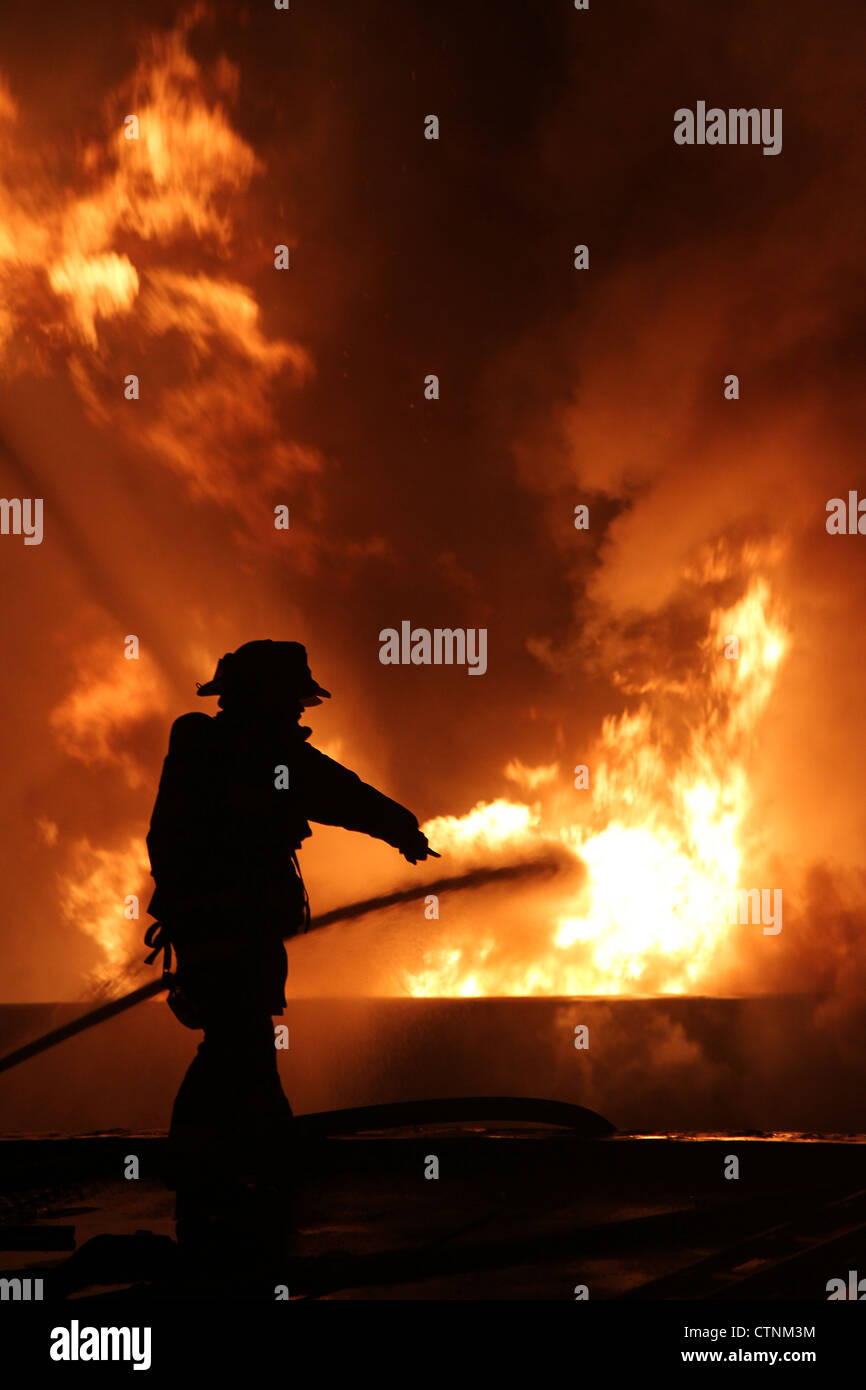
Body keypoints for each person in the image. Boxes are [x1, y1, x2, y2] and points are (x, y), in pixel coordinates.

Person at [144, 640, 432, 1289]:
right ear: (259, 700)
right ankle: (219, 1164)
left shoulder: (254, 751)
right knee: (236, 1040)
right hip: (223, 931)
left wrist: (399, 826)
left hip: (237, 930)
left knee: (240, 1040)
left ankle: (247, 1154)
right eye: (288, 701)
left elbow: (335, 789)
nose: (298, 715)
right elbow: (328, 788)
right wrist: (398, 826)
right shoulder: (222, 747)